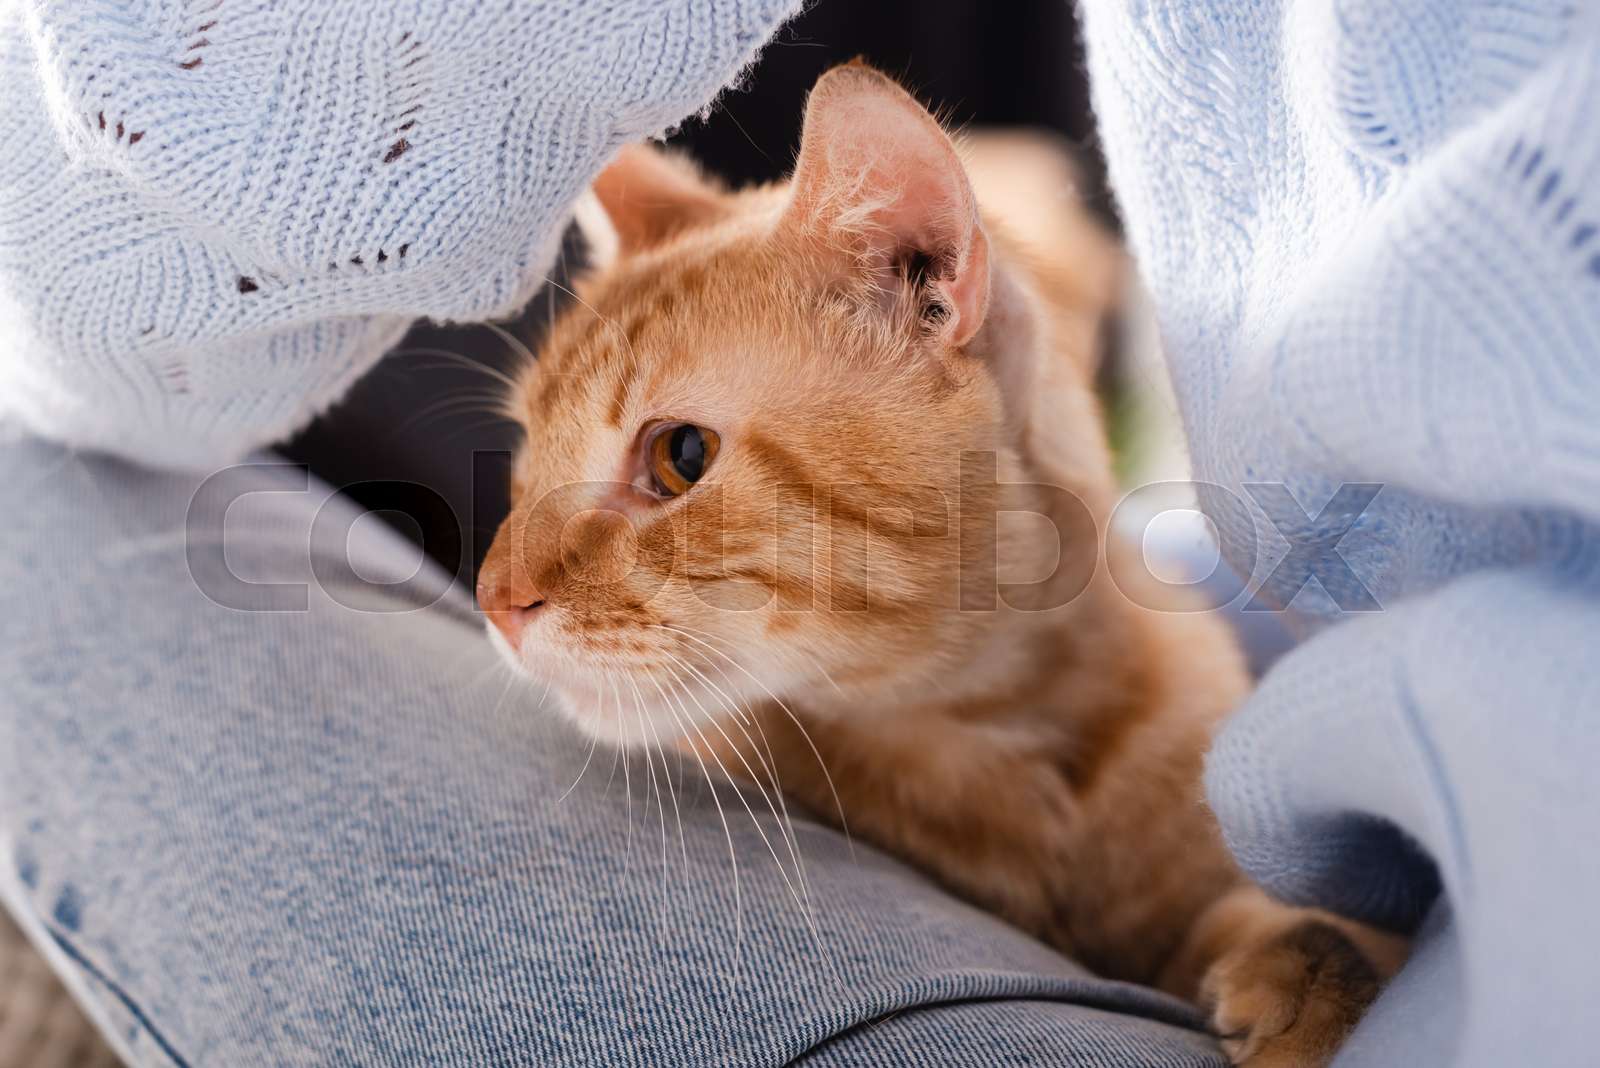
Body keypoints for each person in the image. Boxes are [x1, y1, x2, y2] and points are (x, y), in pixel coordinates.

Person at [2, 2, 1596, 1066]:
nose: (515, 587)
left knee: (34, 505)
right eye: (536, 485)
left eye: (675, 458)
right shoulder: (1245, 700)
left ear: (924, 288)